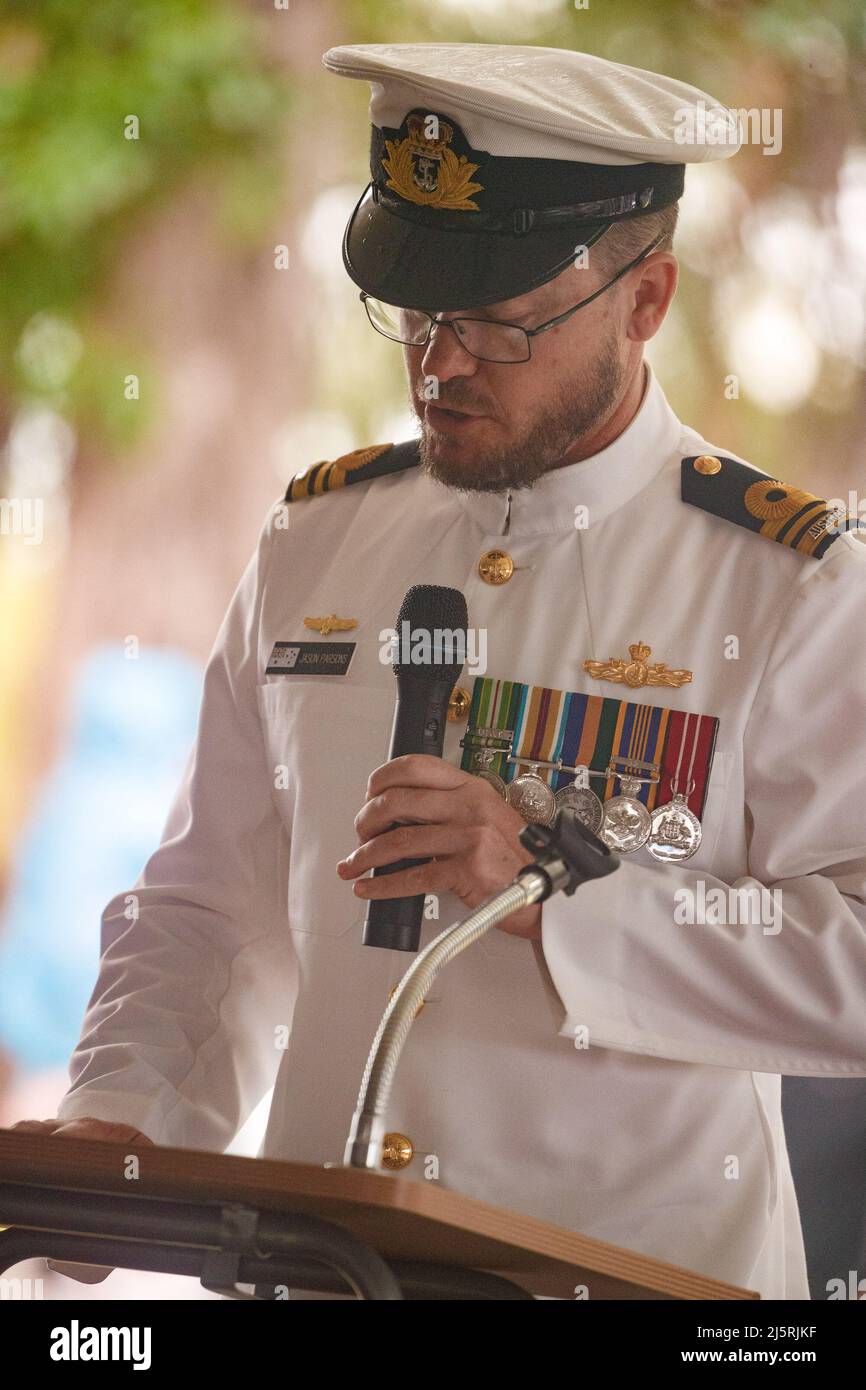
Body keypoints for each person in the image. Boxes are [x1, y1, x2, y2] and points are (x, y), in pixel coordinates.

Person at [15, 42, 866, 1300]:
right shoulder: (318, 538)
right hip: (316, 1271)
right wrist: (120, 1126)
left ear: (644, 301)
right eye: (415, 312)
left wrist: (552, 889)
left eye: (492, 324)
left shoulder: (788, 583)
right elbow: (205, 908)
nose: (437, 365)